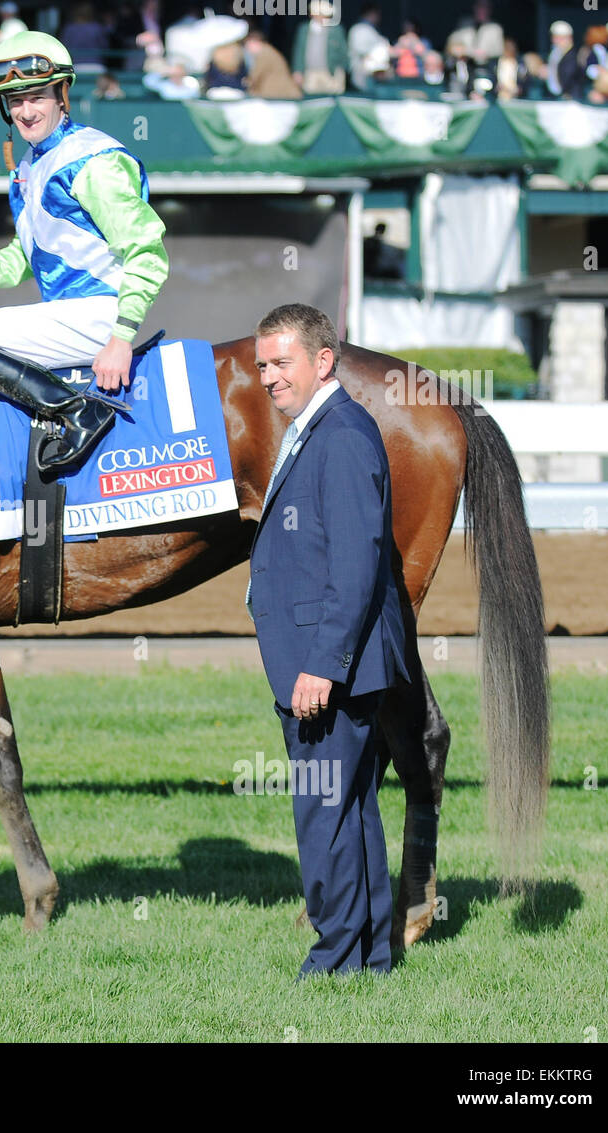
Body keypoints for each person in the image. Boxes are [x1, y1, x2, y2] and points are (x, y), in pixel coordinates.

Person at [246, 304, 408, 979]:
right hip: (335, 661)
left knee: (323, 814)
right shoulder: (321, 427)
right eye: (261, 365)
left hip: (327, 667)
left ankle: (334, 961)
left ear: (322, 360)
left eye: (281, 362)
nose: (268, 377)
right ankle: (370, 957)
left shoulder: (338, 434)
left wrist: (322, 665)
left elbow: (356, 564)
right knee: (350, 810)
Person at [0, 31, 168, 471]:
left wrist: (121, 339)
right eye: (15, 101)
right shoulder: (30, 165)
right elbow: (27, 251)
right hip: (72, 315)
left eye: (36, 97)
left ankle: (76, 411)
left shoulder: (93, 161)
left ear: (62, 95)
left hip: (101, 317)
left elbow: (148, 252)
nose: (25, 111)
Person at [291, 1, 347, 94]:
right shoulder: (304, 29)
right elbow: (299, 51)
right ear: (312, 14)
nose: (324, 17)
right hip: (310, 74)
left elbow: (343, 51)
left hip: (330, 73)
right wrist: (298, 71)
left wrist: (340, 71)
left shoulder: (336, 30)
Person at [244, 28, 302, 100]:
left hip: (280, 93)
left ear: (256, 42)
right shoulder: (267, 51)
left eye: (249, 44)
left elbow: (255, 75)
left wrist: (246, 82)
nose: (247, 48)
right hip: (279, 92)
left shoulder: (265, 54)